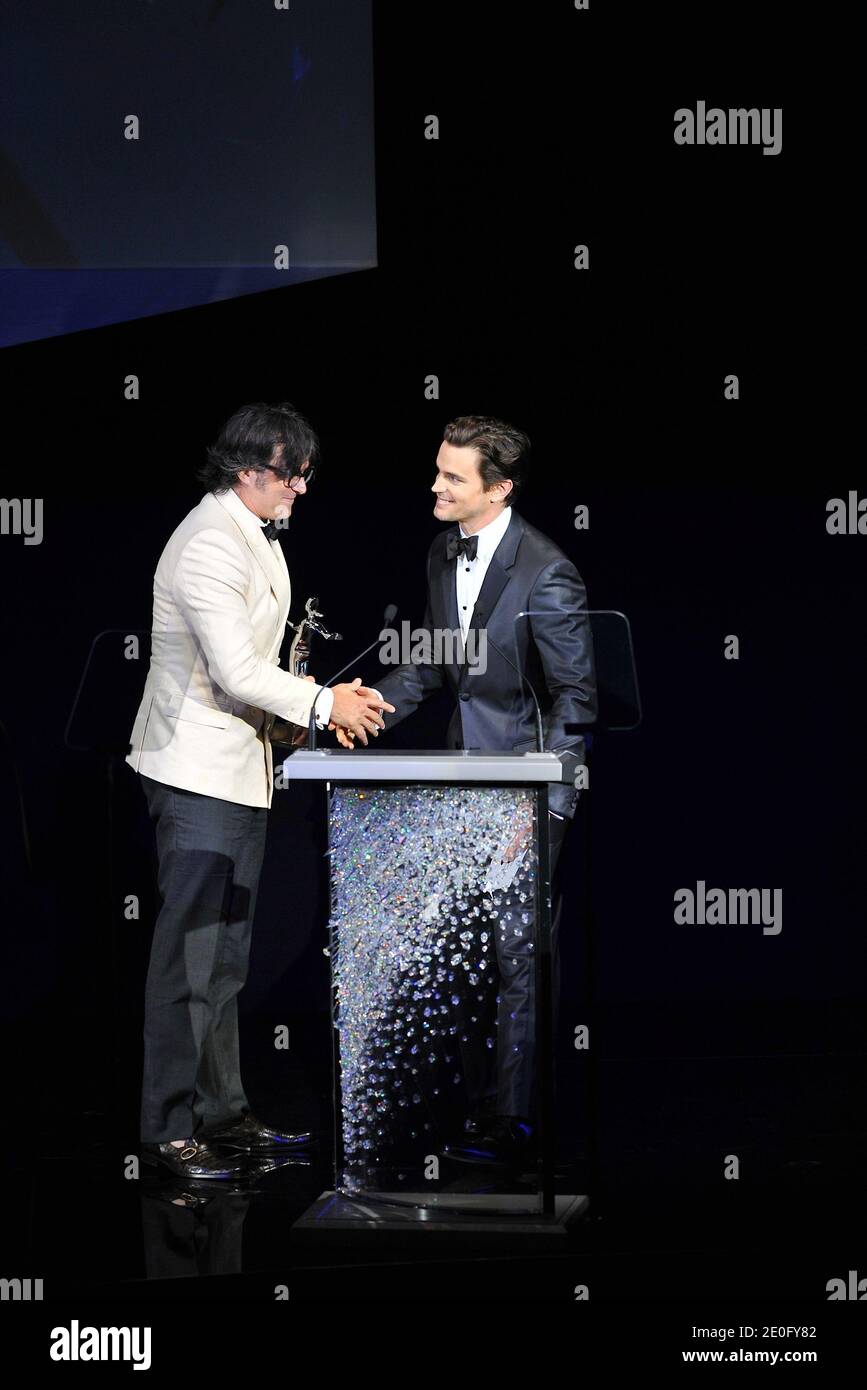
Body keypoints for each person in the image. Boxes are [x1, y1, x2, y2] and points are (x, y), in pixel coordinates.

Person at [125, 401, 394, 1179]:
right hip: (194, 772)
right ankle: (166, 1132)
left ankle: (223, 1114)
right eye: (292, 473)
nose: (302, 487)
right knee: (187, 960)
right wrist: (323, 704)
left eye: (305, 473)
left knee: (224, 963)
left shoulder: (256, 534)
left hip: (240, 770)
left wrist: (311, 708)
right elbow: (238, 672)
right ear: (249, 472)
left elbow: (255, 665)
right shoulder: (209, 541)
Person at [369, 415, 597, 1167]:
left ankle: (514, 1119)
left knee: (515, 955)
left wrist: (547, 806)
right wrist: (364, 709)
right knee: (462, 951)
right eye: (436, 470)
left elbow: (574, 700)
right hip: (457, 783)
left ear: (496, 490)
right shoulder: (442, 551)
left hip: (523, 795)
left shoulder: (546, 569)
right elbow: (438, 662)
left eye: (452, 477)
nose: (435, 485)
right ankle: (472, 1108)